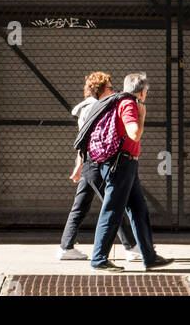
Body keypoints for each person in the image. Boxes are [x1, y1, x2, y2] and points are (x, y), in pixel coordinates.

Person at [90, 72, 173, 273]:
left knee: (139, 210)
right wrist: (142, 117)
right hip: (121, 166)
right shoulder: (129, 104)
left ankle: (149, 256)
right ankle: (99, 259)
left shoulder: (121, 100)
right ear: (143, 91)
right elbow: (134, 134)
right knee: (112, 210)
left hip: (127, 166)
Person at [57, 71, 140, 261]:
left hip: (89, 163)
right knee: (114, 204)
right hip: (96, 163)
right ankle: (131, 247)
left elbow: (84, 139)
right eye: (110, 88)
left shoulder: (89, 107)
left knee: (81, 205)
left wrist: (79, 165)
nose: (113, 91)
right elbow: (90, 137)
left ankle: (66, 246)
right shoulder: (96, 107)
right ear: (99, 90)